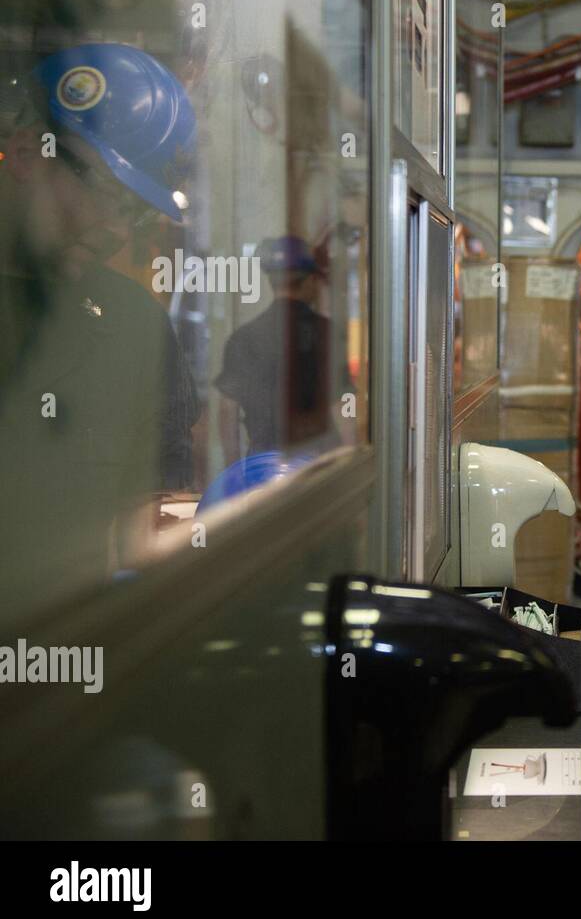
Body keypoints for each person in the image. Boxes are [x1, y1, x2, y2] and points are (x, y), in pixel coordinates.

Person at [0, 42, 199, 610]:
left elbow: (154, 520)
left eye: (133, 210)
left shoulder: (136, 329)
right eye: (105, 193)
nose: (116, 230)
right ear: (26, 153)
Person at [215, 235, 352, 460]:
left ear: (271, 280)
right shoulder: (326, 332)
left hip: (261, 462)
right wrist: (349, 458)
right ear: (308, 280)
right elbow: (343, 406)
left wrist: (234, 467)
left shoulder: (244, 337)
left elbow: (227, 409)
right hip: (316, 464)